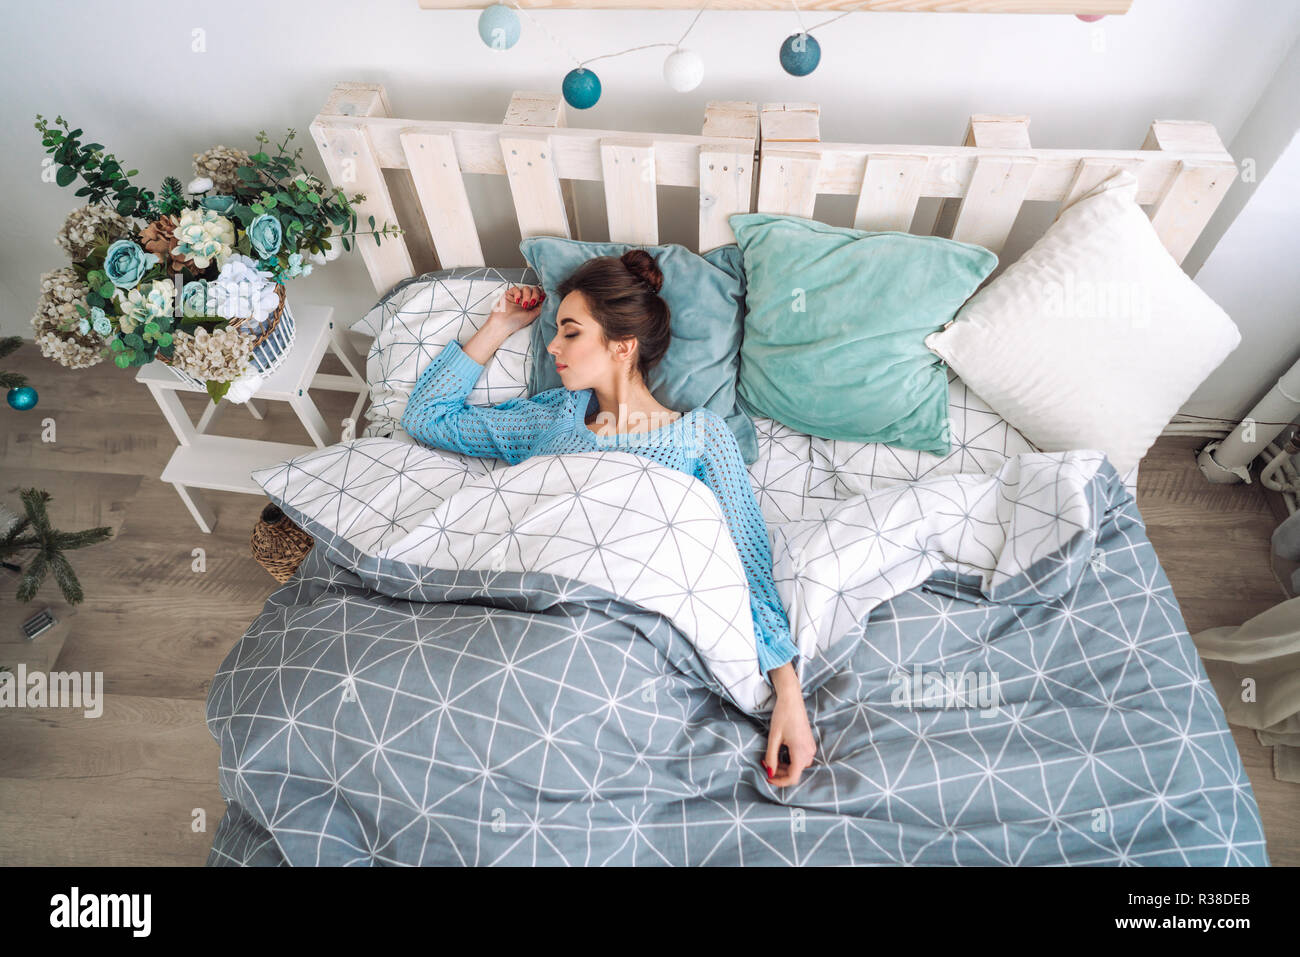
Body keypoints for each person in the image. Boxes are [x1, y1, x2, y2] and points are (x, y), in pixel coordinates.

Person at [401, 249, 816, 787]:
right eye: (554, 332)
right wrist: (499, 325)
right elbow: (428, 418)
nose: (551, 346)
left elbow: (746, 565)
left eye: (569, 332)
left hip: (625, 632)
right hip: (525, 605)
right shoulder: (553, 417)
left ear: (623, 346)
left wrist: (788, 694)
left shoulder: (701, 436)